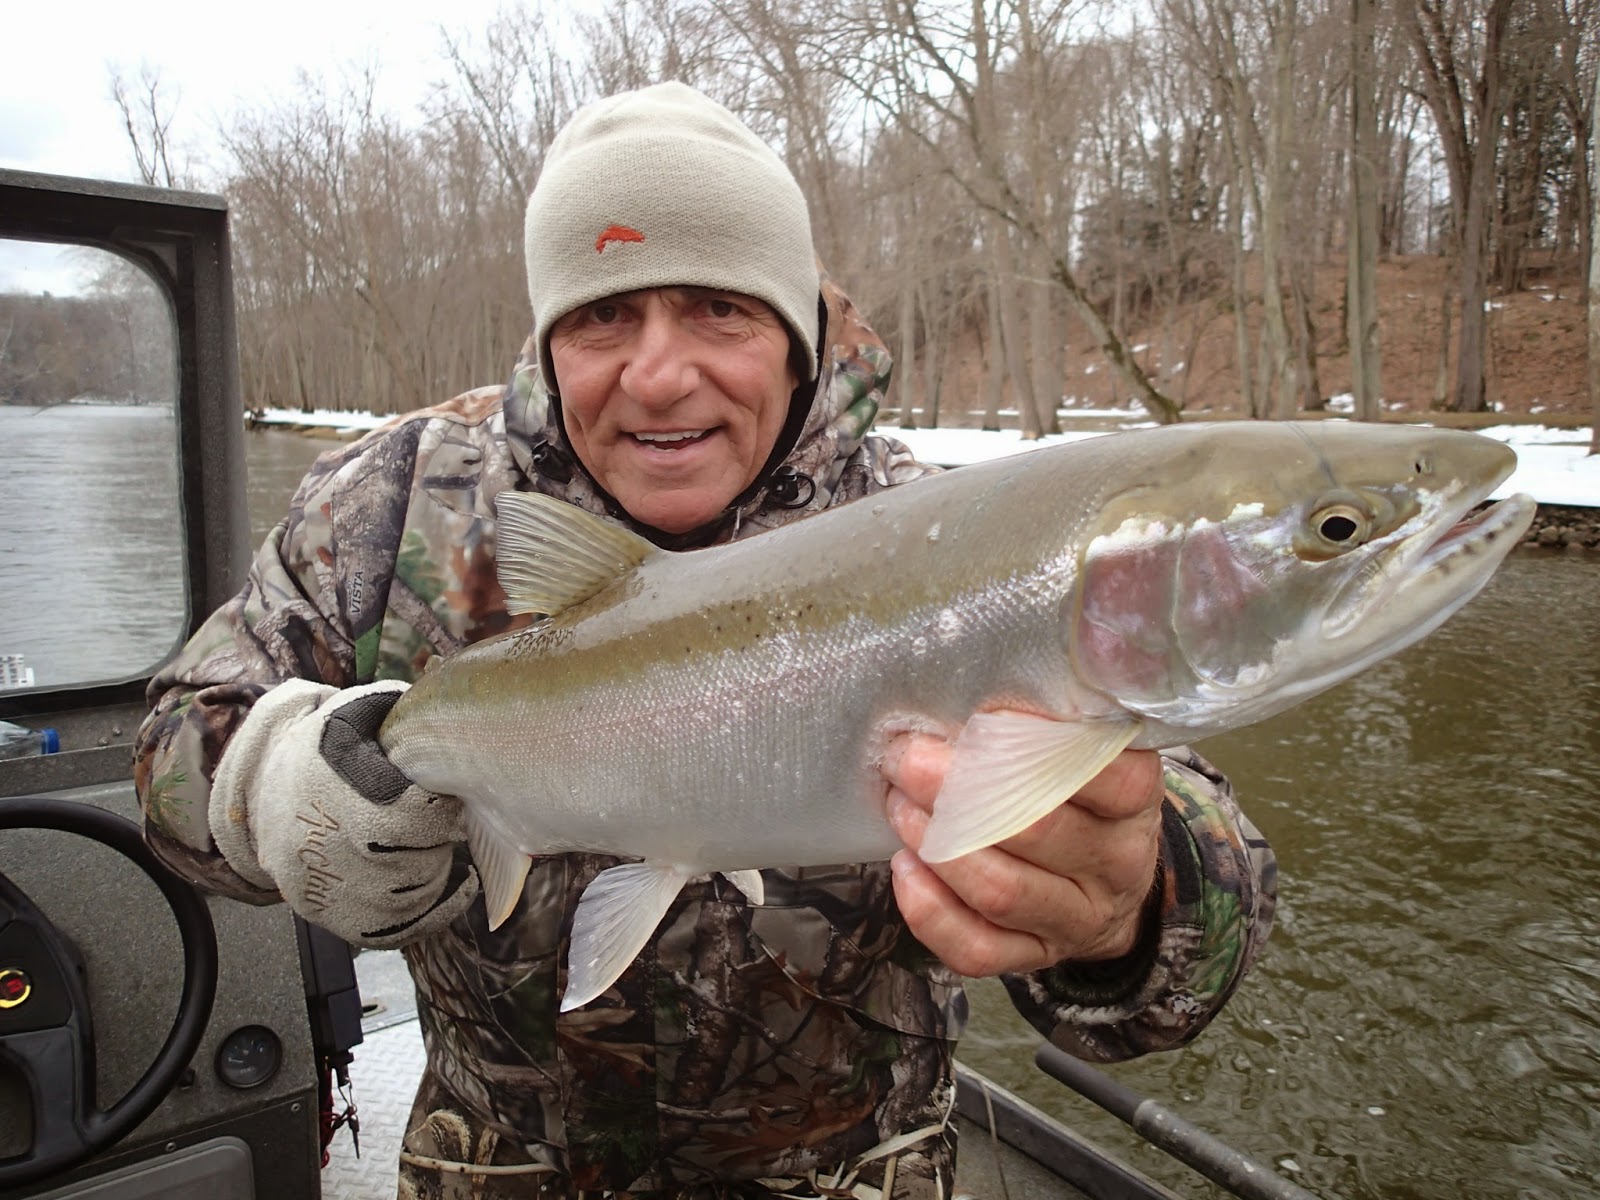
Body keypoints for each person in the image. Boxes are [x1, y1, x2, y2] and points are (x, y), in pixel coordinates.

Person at [134, 82, 1275, 1200]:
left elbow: (1198, 889)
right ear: (549, 341)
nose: (660, 373)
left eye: (719, 309)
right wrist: (266, 788)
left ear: (793, 336)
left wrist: (1133, 902)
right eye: (603, 315)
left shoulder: (946, 538)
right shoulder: (394, 505)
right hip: (498, 1168)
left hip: (855, 1176)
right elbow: (175, 750)